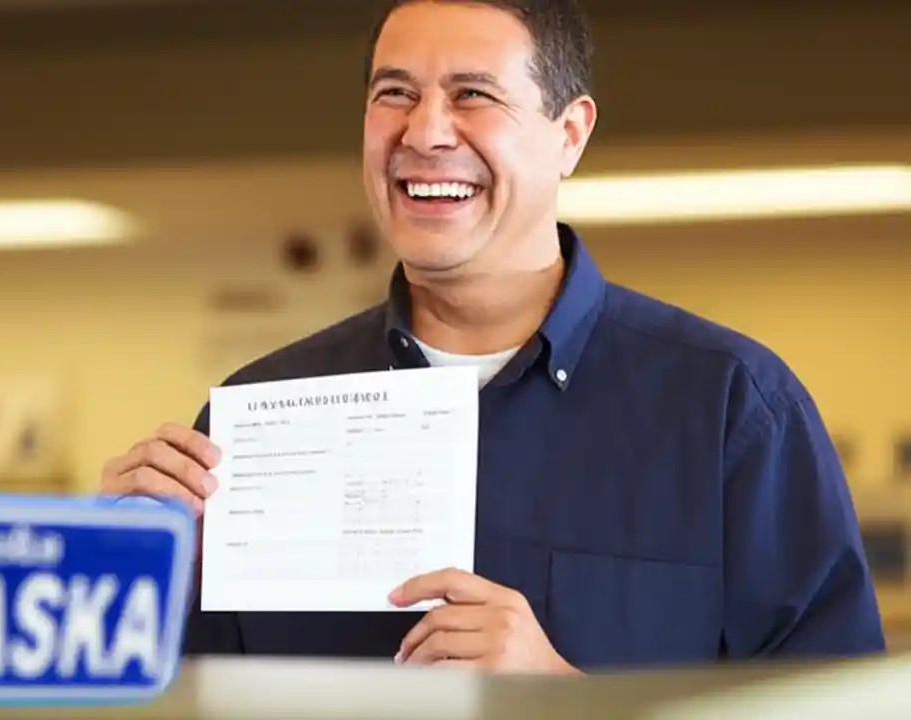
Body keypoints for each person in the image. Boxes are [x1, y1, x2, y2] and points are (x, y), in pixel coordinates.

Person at [99, 0, 886, 673]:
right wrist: (122, 579)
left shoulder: (731, 410)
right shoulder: (258, 414)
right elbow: (168, 694)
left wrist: (573, 704)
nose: (426, 130)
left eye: (473, 94)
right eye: (394, 93)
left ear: (569, 134)